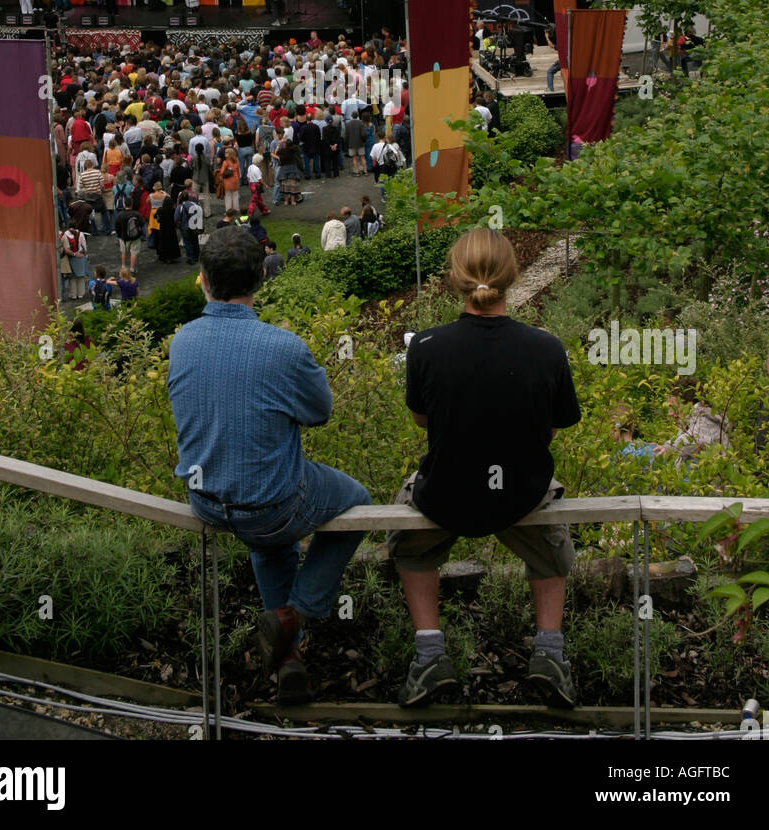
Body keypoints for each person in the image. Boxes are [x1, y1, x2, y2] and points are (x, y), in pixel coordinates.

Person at [167, 229, 371, 703]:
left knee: (270, 540)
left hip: (207, 501)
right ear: (261, 278)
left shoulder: (183, 341)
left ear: (202, 281)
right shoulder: (283, 347)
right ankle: (294, 614)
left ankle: (289, 661)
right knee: (355, 501)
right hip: (270, 504)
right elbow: (320, 412)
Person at [385, 228, 582, 709]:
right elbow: (556, 427)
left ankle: (430, 655)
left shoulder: (426, 347)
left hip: (446, 493)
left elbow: (421, 421)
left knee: (409, 546)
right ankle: (550, 654)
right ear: (512, 279)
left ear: (454, 279)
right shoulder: (547, 347)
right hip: (522, 492)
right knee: (551, 549)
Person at [114, 203, 143, 277]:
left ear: (124, 205)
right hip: (135, 237)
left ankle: (124, 268)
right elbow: (142, 223)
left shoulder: (120, 215)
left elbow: (116, 226)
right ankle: (132, 269)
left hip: (123, 238)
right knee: (134, 253)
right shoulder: (136, 214)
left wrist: (119, 235)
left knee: (124, 252)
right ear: (131, 204)